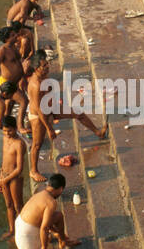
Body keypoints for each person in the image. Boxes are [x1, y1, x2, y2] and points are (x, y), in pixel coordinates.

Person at [27, 51, 107, 181]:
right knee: (37, 144)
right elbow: (39, 109)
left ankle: (98, 132)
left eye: (47, 64)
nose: (47, 67)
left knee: (78, 113)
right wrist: (49, 128)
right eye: (44, 66)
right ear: (36, 69)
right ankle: (33, 171)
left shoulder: (45, 77)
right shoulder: (35, 84)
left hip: (50, 109)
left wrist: (58, 101)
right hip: (38, 116)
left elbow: (50, 92)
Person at [13, 173, 74, 249]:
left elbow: (45, 221)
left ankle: (62, 241)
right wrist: (44, 247)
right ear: (60, 189)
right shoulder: (51, 202)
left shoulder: (41, 194)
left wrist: (57, 233)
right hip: (26, 233)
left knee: (58, 216)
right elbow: (44, 228)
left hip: (21, 223)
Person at [0, 114, 26, 238]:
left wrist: (5, 180)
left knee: (18, 206)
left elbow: (19, 168)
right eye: (4, 130)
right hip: (4, 175)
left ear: (15, 128)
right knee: (8, 205)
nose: (7, 133)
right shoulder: (5, 139)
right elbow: (4, 160)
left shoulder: (19, 144)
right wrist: (0, 178)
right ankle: (12, 230)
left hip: (14, 178)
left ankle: (23, 230)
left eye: (9, 130)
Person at [0, 24, 25, 94]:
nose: (16, 35)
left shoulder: (13, 46)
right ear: (6, 39)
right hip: (6, 84)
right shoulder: (2, 50)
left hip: (15, 83)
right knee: (23, 101)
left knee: (9, 103)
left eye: (15, 34)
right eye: (13, 35)